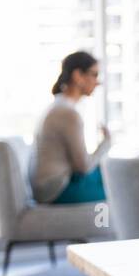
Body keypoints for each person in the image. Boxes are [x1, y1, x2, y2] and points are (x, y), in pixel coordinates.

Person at [31, 51, 110, 205]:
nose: (98, 82)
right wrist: (106, 142)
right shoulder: (68, 113)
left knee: (107, 173)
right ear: (78, 76)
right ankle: (110, 227)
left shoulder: (59, 106)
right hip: (56, 190)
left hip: (50, 186)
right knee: (117, 185)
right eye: (94, 74)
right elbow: (84, 167)